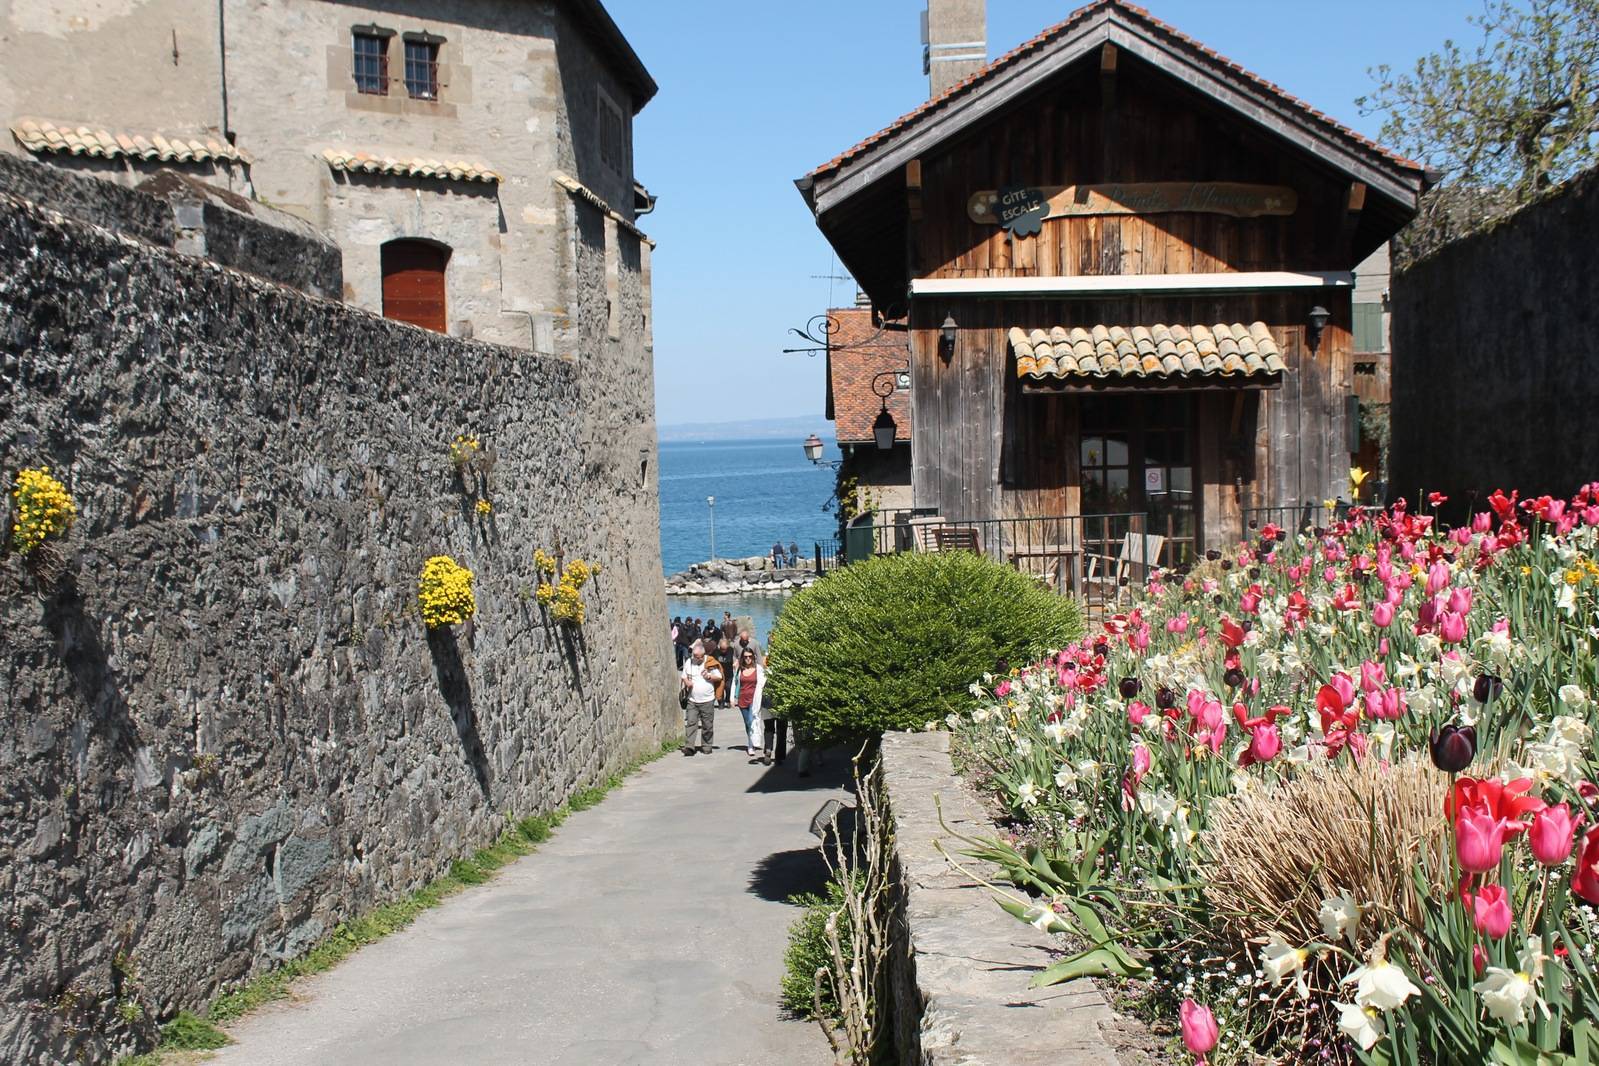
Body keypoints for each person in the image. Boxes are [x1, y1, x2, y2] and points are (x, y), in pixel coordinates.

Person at [680, 639, 721, 755]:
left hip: (707, 700)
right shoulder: (689, 662)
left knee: (707, 725)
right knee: (691, 723)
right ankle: (689, 747)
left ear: (703, 655)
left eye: (698, 657)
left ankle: (707, 745)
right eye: (695, 656)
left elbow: (719, 677)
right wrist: (687, 682)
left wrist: (709, 676)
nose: (696, 659)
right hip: (692, 699)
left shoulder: (710, 662)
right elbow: (684, 676)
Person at [730, 647, 765, 763]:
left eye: (750, 656)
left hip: (754, 699)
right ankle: (752, 739)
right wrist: (732, 698)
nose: (748, 659)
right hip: (742, 699)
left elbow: (762, 682)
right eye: (745, 657)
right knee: (747, 723)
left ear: (753, 657)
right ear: (742, 658)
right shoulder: (739, 669)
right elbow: (735, 683)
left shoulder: (758, 669)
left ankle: (751, 744)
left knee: (752, 720)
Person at [759, 654, 787, 766]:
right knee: (781, 730)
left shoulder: (764, 673)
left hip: (766, 704)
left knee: (769, 729)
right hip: (781, 704)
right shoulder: (785, 672)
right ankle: (779, 756)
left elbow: (759, 688)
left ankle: (768, 750)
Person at [714, 634, 737, 707]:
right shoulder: (716, 651)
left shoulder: (730, 650)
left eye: (725, 649)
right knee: (720, 689)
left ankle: (727, 700)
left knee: (728, 687)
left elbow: (735, 657)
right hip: (719, 674)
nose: (723, 651)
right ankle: (721, 702)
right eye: (722, 649)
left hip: (729, 673)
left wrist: (735, 663)